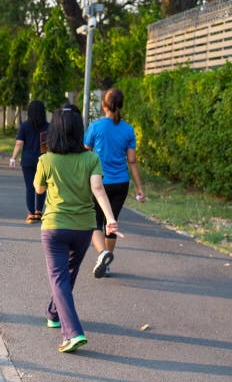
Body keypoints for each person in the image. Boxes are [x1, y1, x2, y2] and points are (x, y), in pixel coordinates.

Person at [33, 104, 120, 353]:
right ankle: (53, 313)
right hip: (84, 227)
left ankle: (73, 333)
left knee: (60, 277)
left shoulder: (46, 160)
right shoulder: (91, 159)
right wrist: (110, 218)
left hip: (54, 227)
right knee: (68, 273)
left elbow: (38, 189)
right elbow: (98, 189)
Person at [84, 88, 146, 278]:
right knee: (112, 222)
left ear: (103, 105)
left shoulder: (95, 127)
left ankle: (102, 254)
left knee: (95, 221)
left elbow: (85, 153)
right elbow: (132, 161)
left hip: (99, 182)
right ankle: (107, 261)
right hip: (121, 183)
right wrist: (139, 188)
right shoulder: (128, 129)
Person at [10, 100, 49, 224]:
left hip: (27, 160)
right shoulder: (48, 126)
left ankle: (31, 214)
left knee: (30, 187)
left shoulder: (25, 125)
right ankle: (38, 211)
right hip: (43, 160)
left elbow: (19, 143)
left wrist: (13, 157)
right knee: (42, 185)